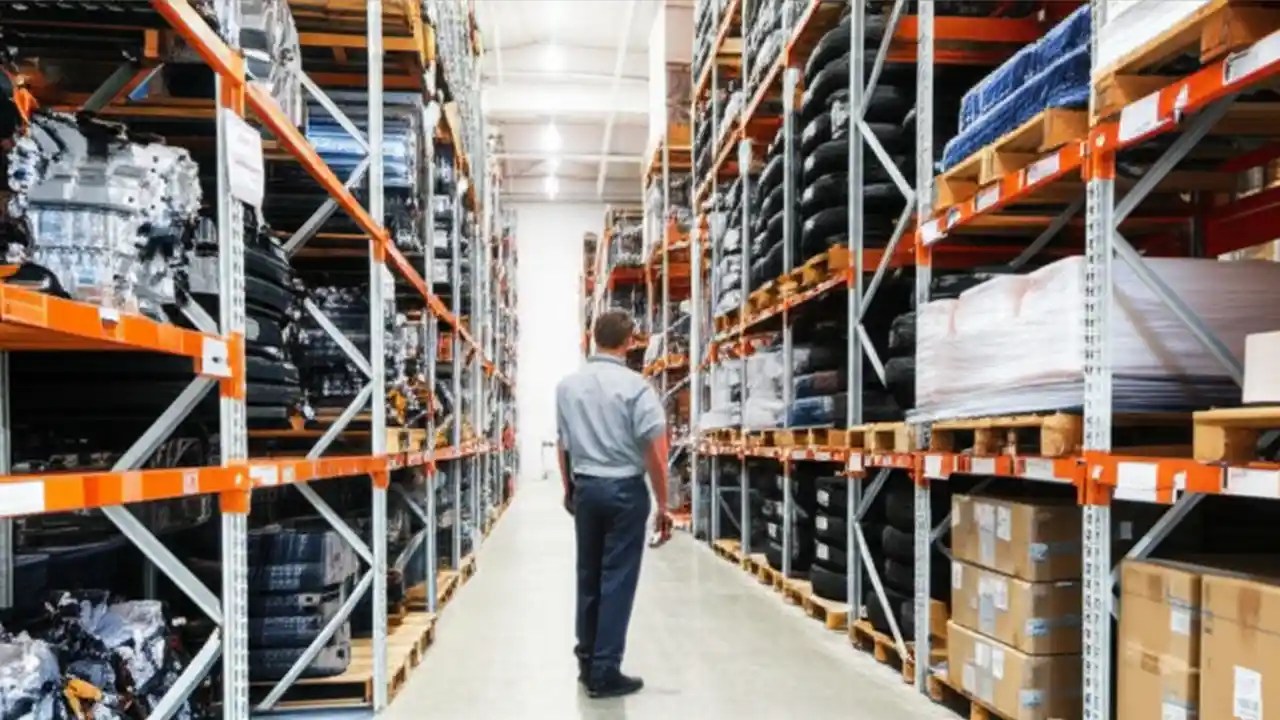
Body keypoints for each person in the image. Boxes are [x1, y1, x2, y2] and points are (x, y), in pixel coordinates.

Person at [555, 309, 673, 699]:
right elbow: (654, 450)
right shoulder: (637, 387)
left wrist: (569, 489)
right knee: (617, 579)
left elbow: (564, 445)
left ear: (593, 337)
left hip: (587, 487)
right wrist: (663, 502)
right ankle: (605, 671)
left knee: (588, 574)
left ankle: (587, 660)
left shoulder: (568, 387)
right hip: (624, 490)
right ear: (628, 342)